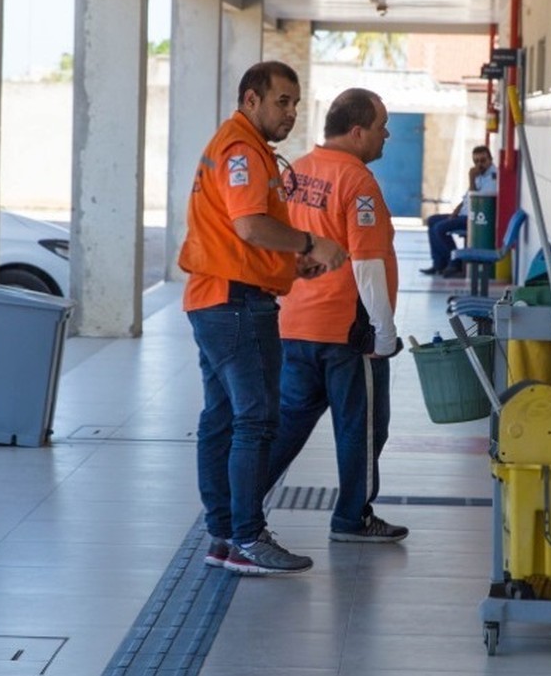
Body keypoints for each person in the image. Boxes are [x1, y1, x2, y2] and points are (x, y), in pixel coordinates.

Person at [178, 60, 348, 576]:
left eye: (295, 103)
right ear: (251, 100)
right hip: (234, 306)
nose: (291, 112)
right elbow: (250, 226)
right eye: (282, 101)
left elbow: (241, 237)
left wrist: (291, 266)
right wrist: (310, 241)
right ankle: (247, 538)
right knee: (254, 420)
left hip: (220, 298)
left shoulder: (243, 148)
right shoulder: (242, 151)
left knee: (223, 419)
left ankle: (224, 535)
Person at [267, 88, 409, 543]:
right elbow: (366, 264)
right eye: (382, 126)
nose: (387, 135)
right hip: (349, 333)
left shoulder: (296, 172)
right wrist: (383, 334)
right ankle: (352, 517)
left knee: (288, 424)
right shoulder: (358, 182)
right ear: (357, 131)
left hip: (294, 324)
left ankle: (240, 505)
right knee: (363, 428)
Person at [420, 145, 498, 278]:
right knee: (432, 221)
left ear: (490, 159)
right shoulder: (479, 174)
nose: (479, 165)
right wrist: (456, 209)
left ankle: (455, 261)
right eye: (476, 161)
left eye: (483, 160)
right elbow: (467, 197)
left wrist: (471, 179)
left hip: (474, 218)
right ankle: (438, 263)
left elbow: (477, 201)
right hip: (463, 213)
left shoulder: (492, 176)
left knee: (440, 228)